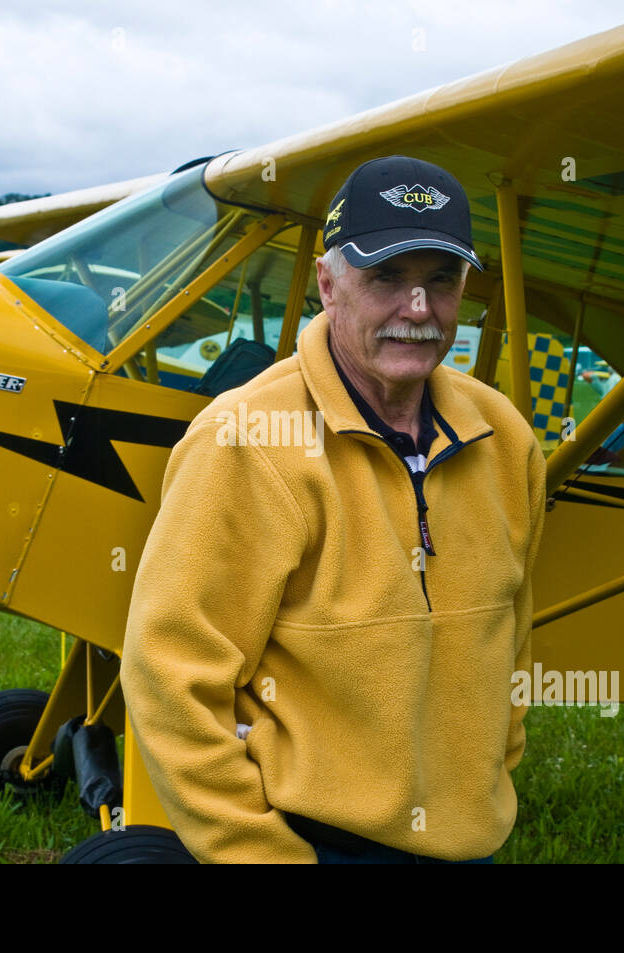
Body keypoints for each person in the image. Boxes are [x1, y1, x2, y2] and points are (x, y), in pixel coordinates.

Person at [120, 155, 547, 863]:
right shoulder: (245, 439)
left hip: (467, 841)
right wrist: (255, 852)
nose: (418, 309)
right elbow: (169, 676)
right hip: (310, 841)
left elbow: (515, 636)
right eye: (386, 277)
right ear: (328, 284)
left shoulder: (505, 439)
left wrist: (487, 777)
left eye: (441, 280)